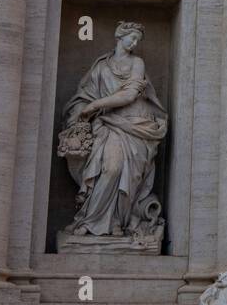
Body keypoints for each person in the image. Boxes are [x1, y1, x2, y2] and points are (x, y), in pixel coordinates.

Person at [61, 22, 167, 241]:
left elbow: (129, 96)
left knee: (127, 175)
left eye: (138, 40)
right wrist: (84, 109)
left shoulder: (137, 63)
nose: (135, 43)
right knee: (110, 169)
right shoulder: (101, 67)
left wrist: (95, 106)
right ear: (120, 36)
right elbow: (84, 97)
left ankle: (118, 221)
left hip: (134, 127)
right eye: (132, 38)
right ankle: (89, 221)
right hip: (107, 125)